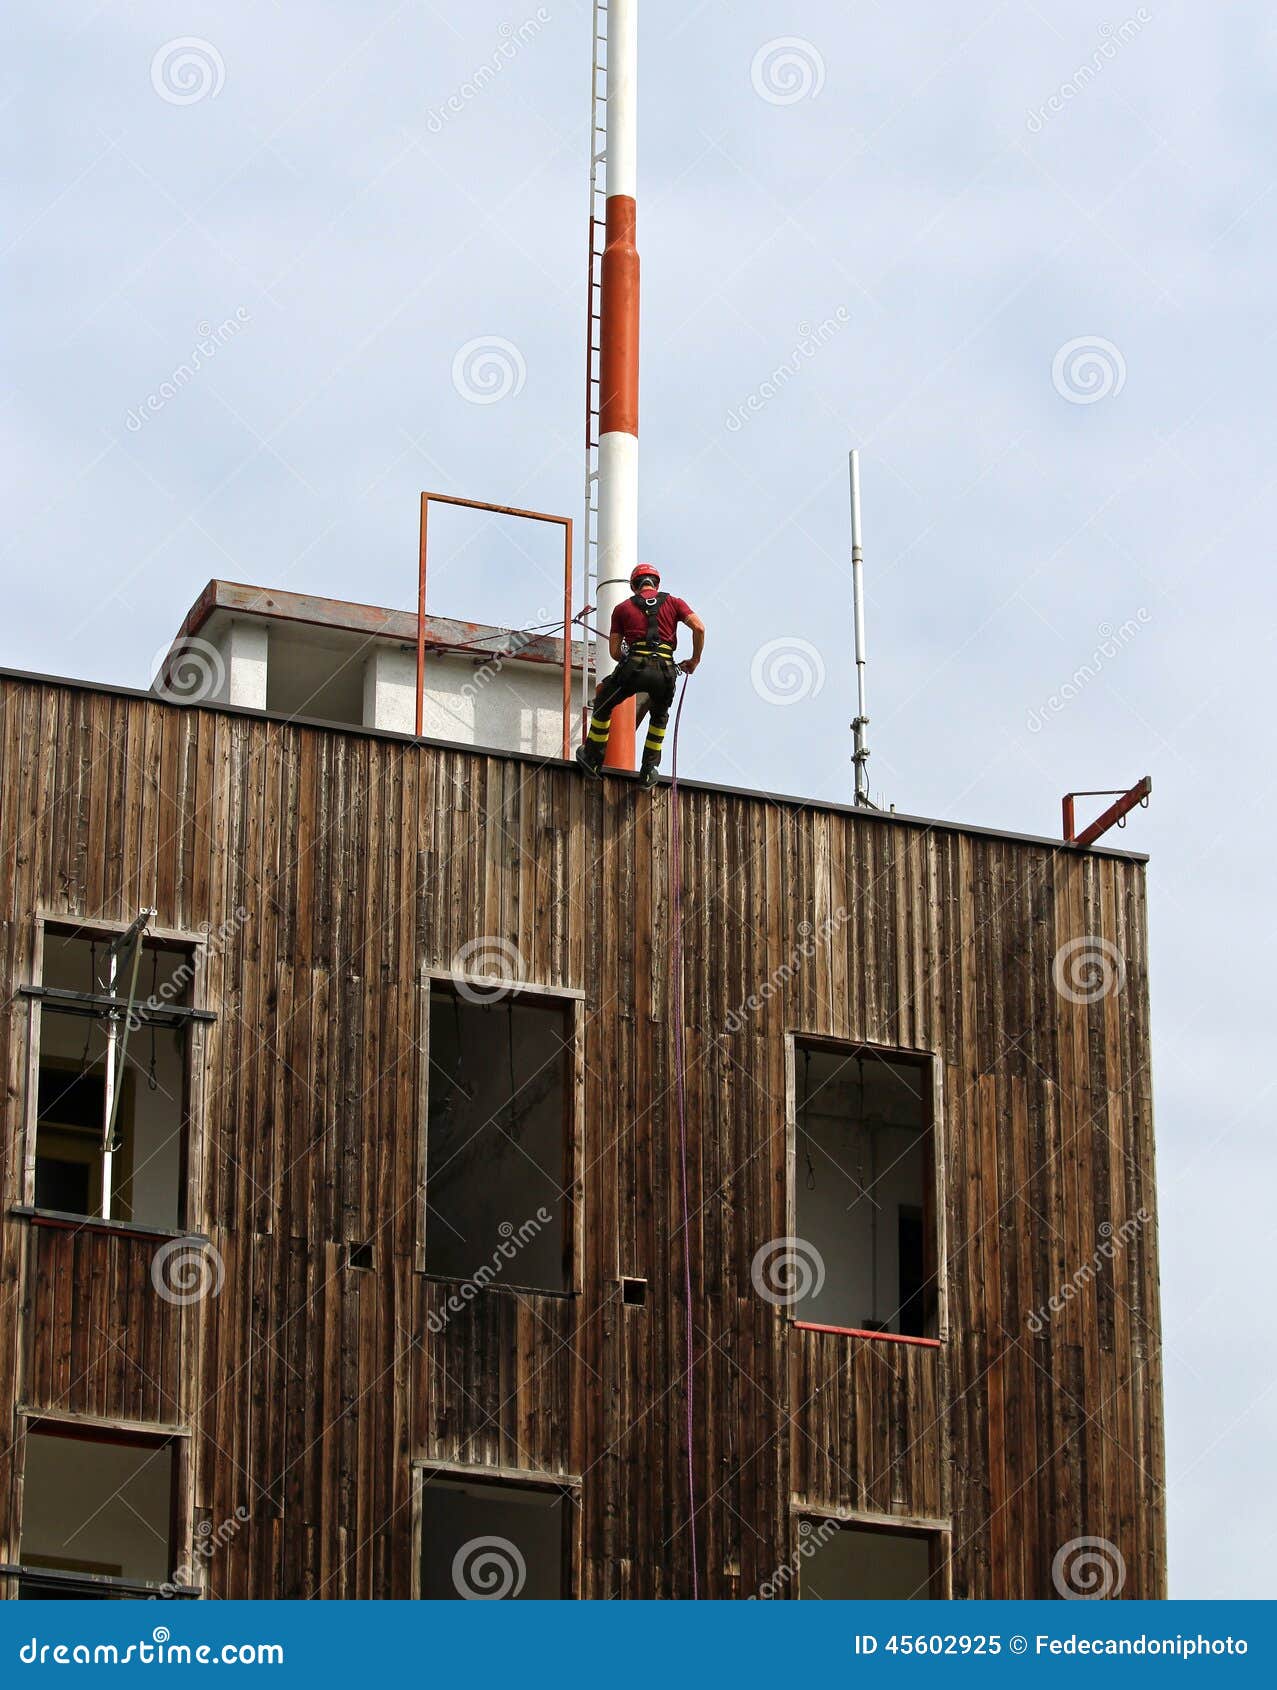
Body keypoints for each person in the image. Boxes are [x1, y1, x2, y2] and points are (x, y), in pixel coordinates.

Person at [575, 565, 705, 788]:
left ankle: (593, 759)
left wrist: (631, 658)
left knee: (603, 702)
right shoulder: (675, 602)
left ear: (633, 586)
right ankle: (648, 771)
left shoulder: (622, 608)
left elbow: (615, 652)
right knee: (659, 716)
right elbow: (699, 628)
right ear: (656, 584)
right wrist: (694, 661)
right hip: (665, 671)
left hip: (633, 668)